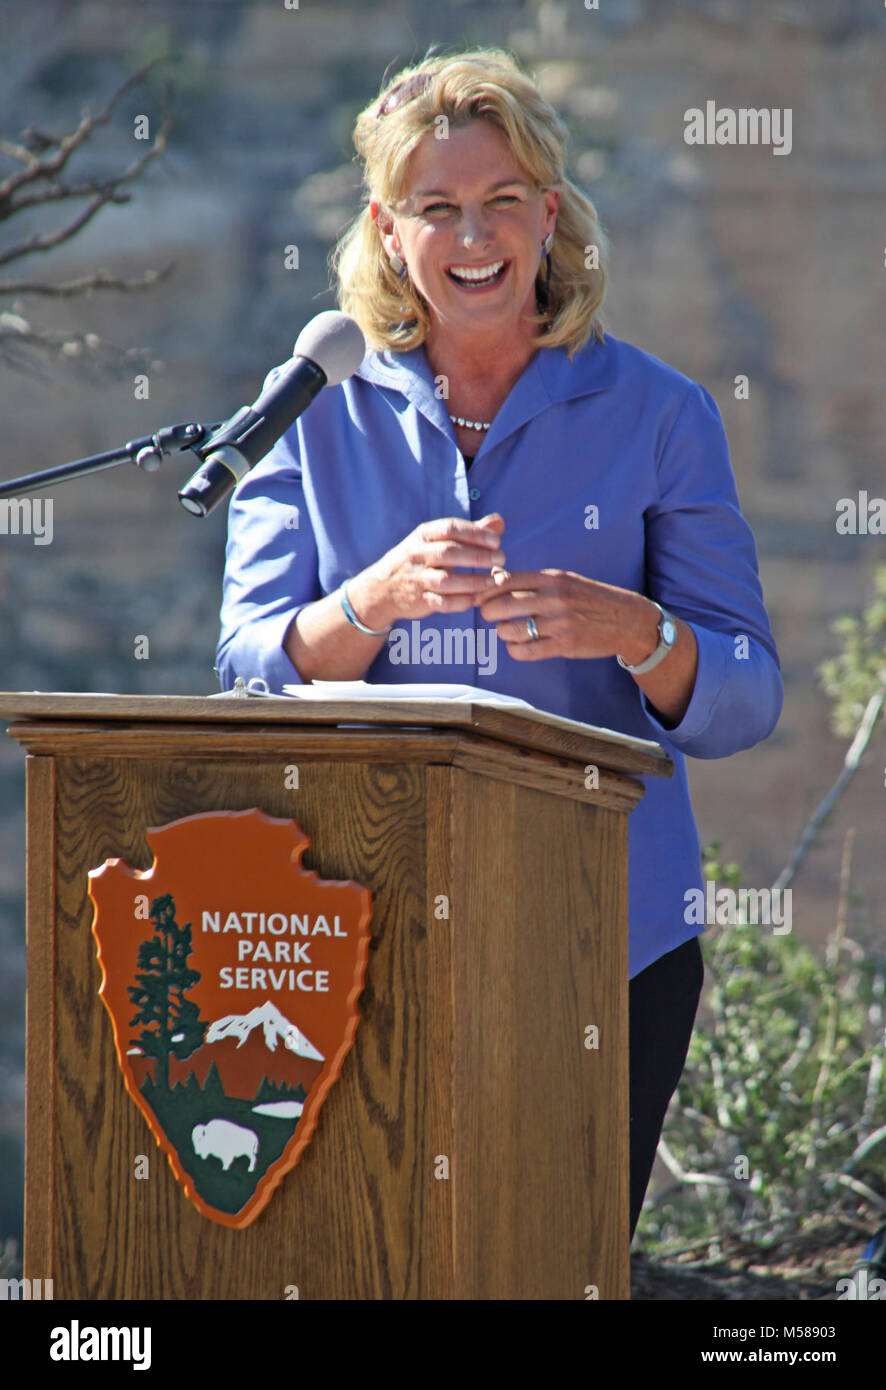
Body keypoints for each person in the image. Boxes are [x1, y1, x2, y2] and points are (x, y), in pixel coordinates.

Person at [216, 48, 783, 1242]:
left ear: (550, 216)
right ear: (386, 227)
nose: (472, 235)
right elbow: (249, 666)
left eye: (500, 202)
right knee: (372, 1256)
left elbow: (744, 697)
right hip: (357, 922)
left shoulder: (660, 412)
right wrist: (369, 601)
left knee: (553, 1257)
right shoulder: (313, 409)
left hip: (604, 934)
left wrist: (640, 632)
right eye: (436, 208)